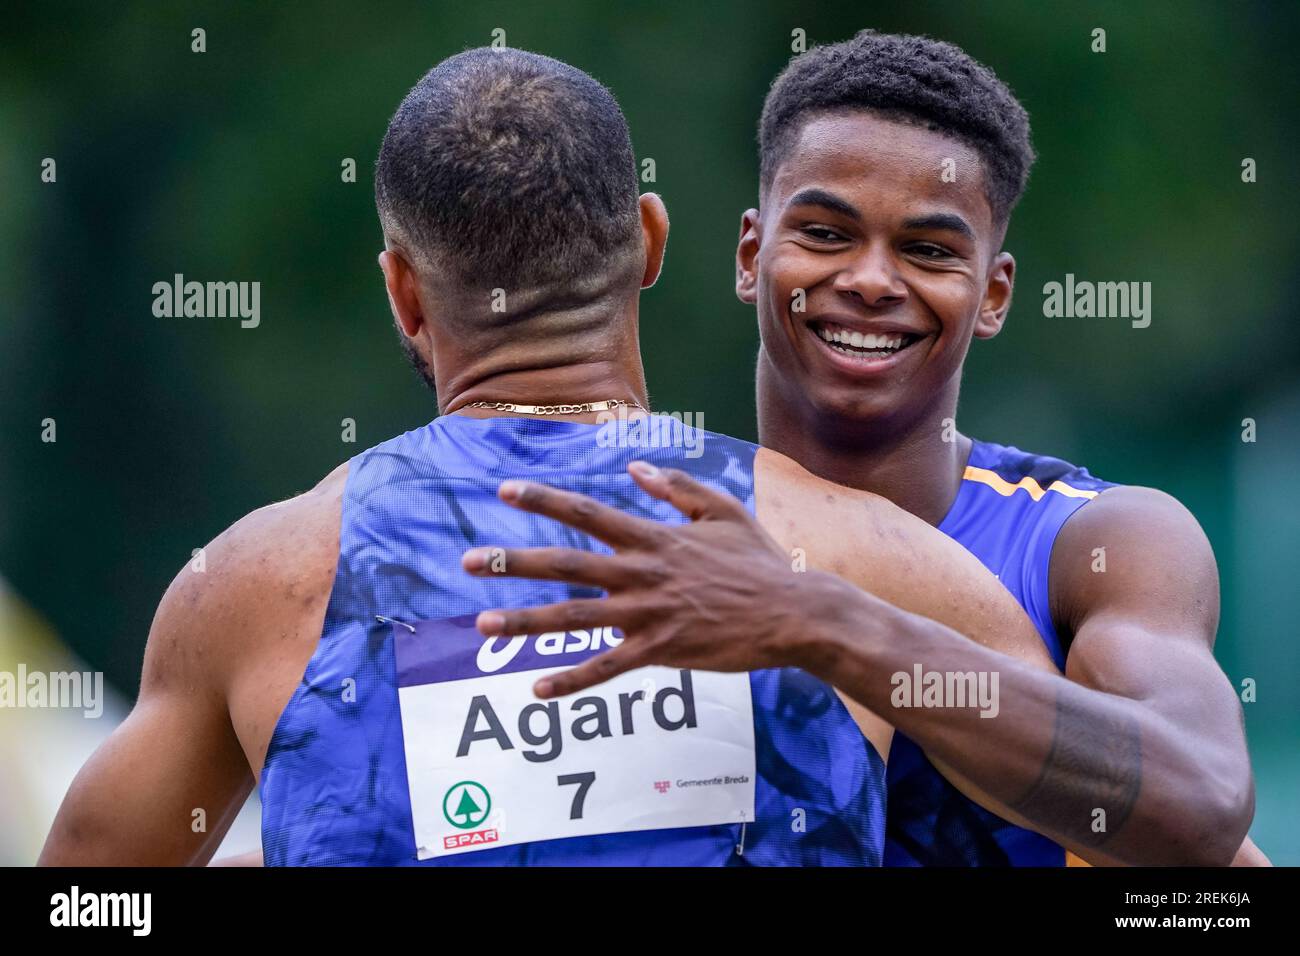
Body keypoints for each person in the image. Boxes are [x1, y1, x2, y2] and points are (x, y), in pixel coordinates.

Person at [38, 47, 1054, 867]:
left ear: (402, 291)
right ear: (651, 241)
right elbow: (1162, 828)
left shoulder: (258, 582)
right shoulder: (848, 546)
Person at [477, 31, 1262, 866]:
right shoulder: (643, 525)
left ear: (992, 294)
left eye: (928, 250)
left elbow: (1203, 806)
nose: (871, 281)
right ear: (751, 255)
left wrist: (820, 619)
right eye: (824, 233)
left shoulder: (1096, 543)